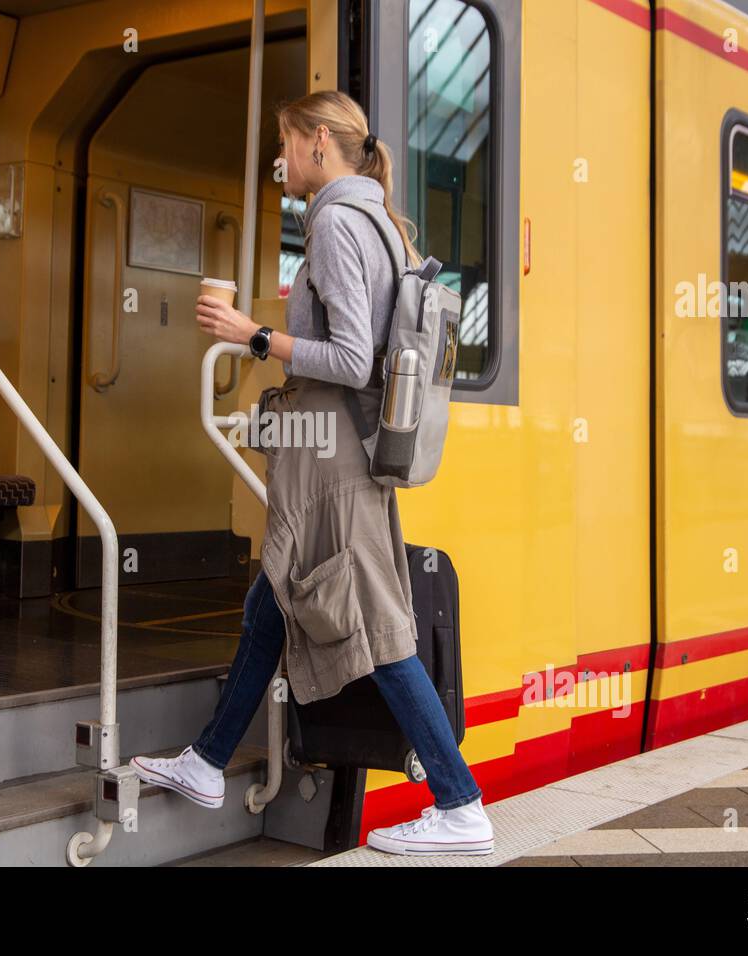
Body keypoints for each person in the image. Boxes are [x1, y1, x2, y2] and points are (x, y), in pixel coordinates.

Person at [128, 89, 493, 856]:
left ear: (320, 143)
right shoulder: (382, 221)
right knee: (278, 596)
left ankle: (460, 802)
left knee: (379, 629)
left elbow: (355, 359)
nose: (281, 161)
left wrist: (252, 335)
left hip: (332, 459)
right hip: (347, 451)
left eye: (288, 145)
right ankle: (207, 760)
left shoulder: (332, 221)